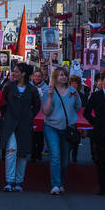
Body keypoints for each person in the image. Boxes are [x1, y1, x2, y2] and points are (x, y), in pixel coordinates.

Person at [0, 61, 41, 192]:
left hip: (24, 125)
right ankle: (9, 181)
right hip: (10, 124)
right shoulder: (8, 86)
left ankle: (19, 181)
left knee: (22, 153)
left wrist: (29, 117)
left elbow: (37, 106)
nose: (13, 73)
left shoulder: (32, 90)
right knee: (11, 151)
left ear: (23, 74)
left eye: (16, 71)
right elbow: (0, 102)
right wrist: (6, 115)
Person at [41, 66, 83, 195]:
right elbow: (45, 112)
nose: (63, 77)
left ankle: (60, 183)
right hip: (51, 127)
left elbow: (78, 106)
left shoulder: (73, 92)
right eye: (60, 75)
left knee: (64, 159)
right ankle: (55, 185)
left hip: (67, 128)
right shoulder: (50, 91)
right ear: (55, 77)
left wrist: (68, 117)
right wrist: (49, 97)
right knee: (55, 156)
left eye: (65, 75)